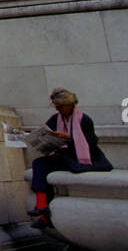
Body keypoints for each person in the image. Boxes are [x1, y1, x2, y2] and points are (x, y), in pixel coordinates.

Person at [29, 88, 112, 230]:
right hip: (65, 156)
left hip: (84, 158)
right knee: (39, 164)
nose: (59, 110)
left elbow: (90, 144)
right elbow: (44, 132)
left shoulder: (84, 120)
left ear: (70, 105)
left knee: (51, 167)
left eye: (61, 107)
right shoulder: (56, 119)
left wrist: (69, 139)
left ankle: (44, 217)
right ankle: (41, 205)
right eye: (56, 107)